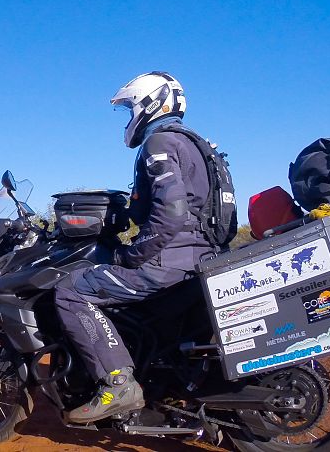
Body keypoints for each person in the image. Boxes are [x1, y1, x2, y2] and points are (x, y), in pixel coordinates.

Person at [53, 72, 217, 424]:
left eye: (131, 109)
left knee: (71, 290)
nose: (131, 119)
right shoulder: (199, 145)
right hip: (201, 258)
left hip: (169, 262)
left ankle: (118, 383)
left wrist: (132, 254)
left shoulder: (159, 145)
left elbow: (171, 215)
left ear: (150, 103)